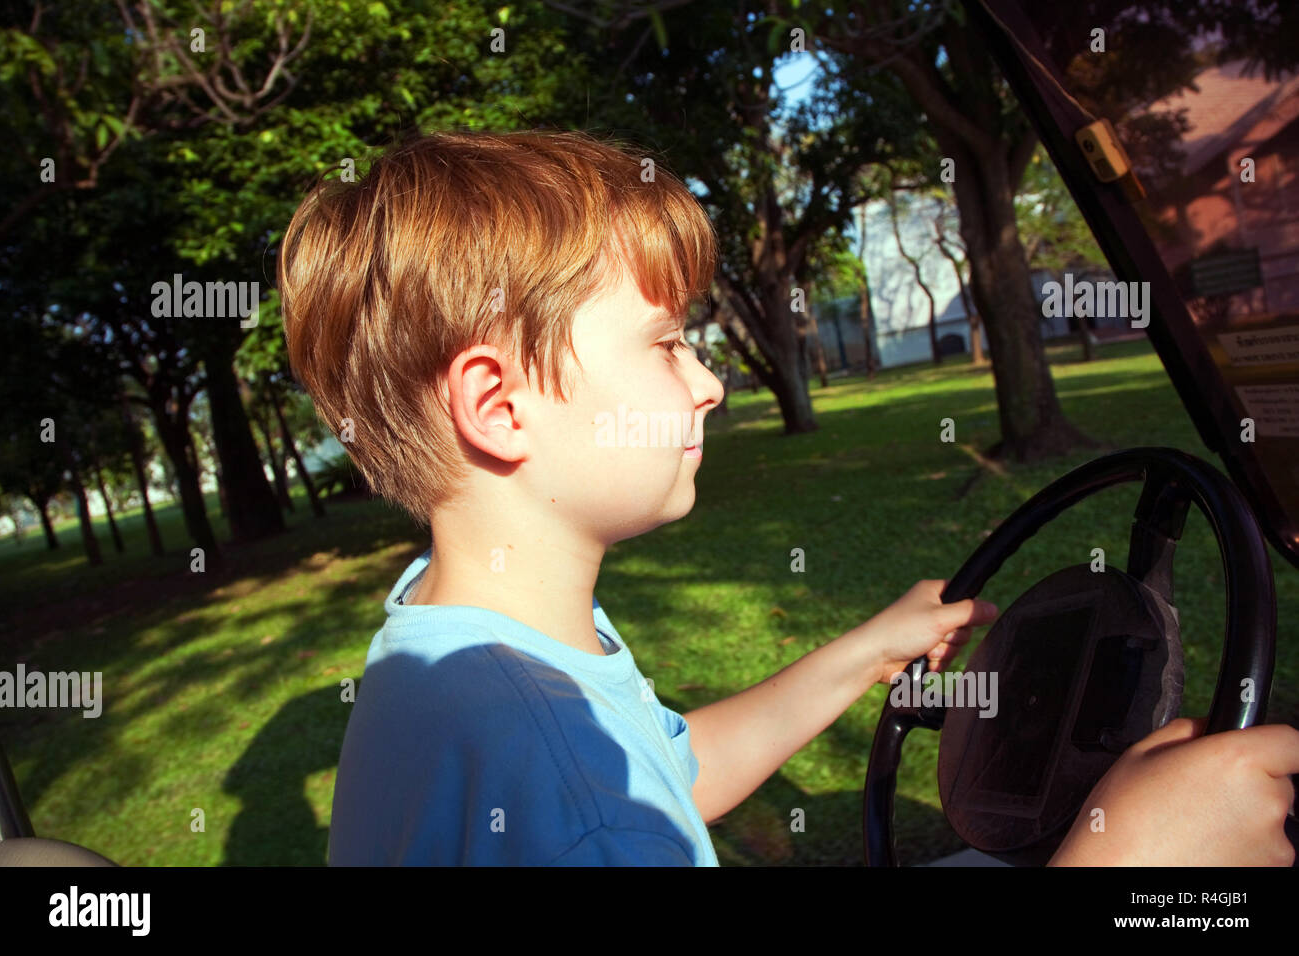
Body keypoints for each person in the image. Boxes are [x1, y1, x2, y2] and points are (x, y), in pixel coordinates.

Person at [276, 129, 1298, 866]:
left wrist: (862, 648)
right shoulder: (579, 806)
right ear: (499, 406)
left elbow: (669, 771)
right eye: (668, 342)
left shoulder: (457, 633)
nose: (711, 380)